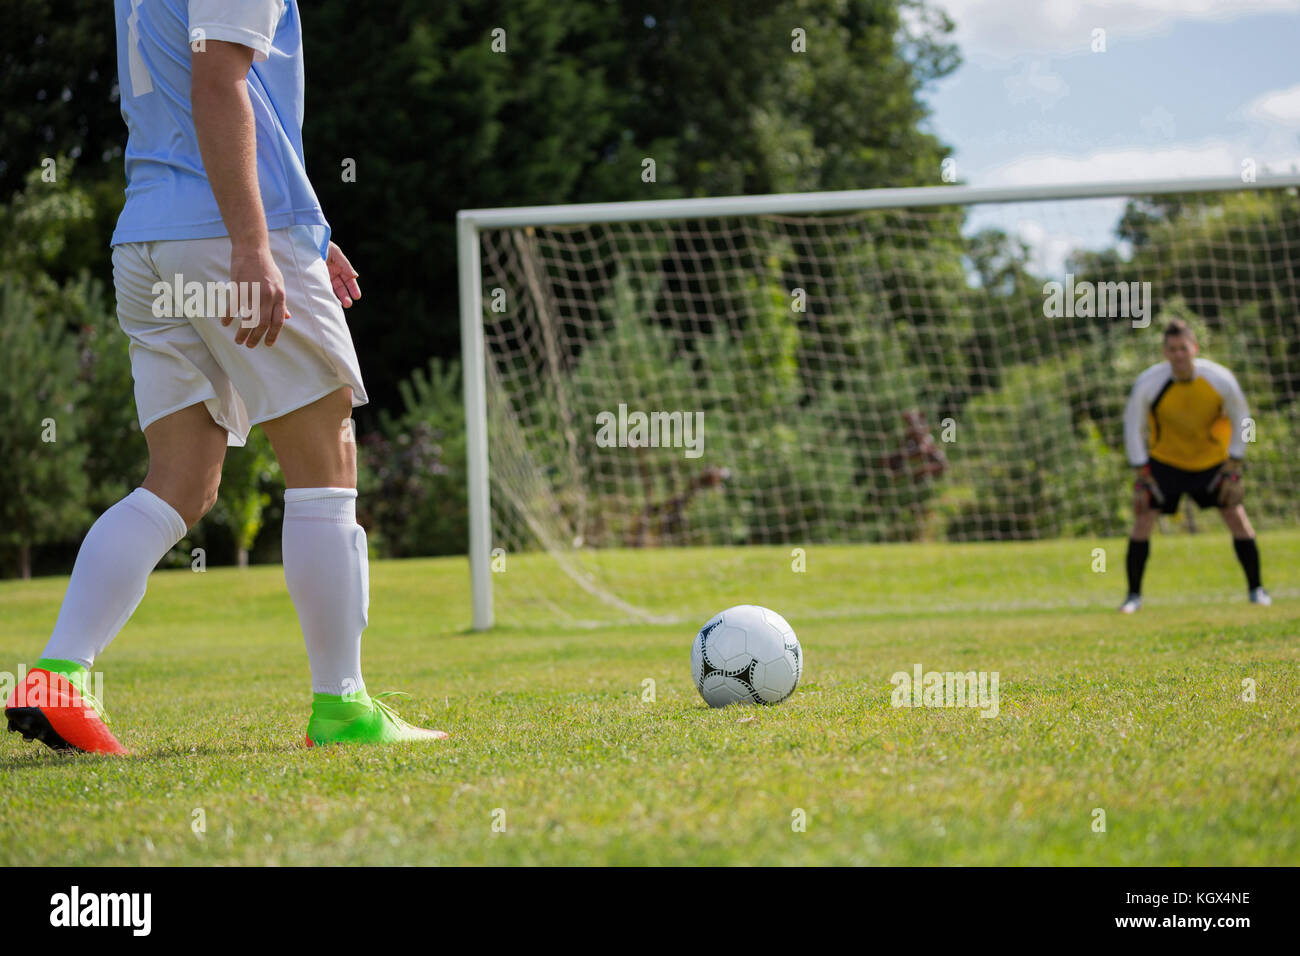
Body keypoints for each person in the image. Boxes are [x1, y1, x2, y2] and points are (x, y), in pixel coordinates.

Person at [5, 0, 446, 753]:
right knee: (325, 457)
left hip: (148, 240)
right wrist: (254, 242)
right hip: (225, 234)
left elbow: (211, 94)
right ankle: (343, 709)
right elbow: (217, 84)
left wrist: (310, 228)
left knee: (180, 480)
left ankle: (58, 675)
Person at [1119, 319, 1270, 613]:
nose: (1178, 355)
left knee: (1236, 516)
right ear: (1164, 352)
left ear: (1195, 349)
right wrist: (1141, 472)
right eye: (1172, 349)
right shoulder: (1148, 383)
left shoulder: (1220, 379)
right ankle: (1132, 596)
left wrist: (1236, 463)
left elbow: (1245, 420)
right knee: (1143, 520)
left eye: (1183, 349)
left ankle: (1257, 589)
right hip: (1165, 463)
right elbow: (1132, 427)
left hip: (1212, 463)